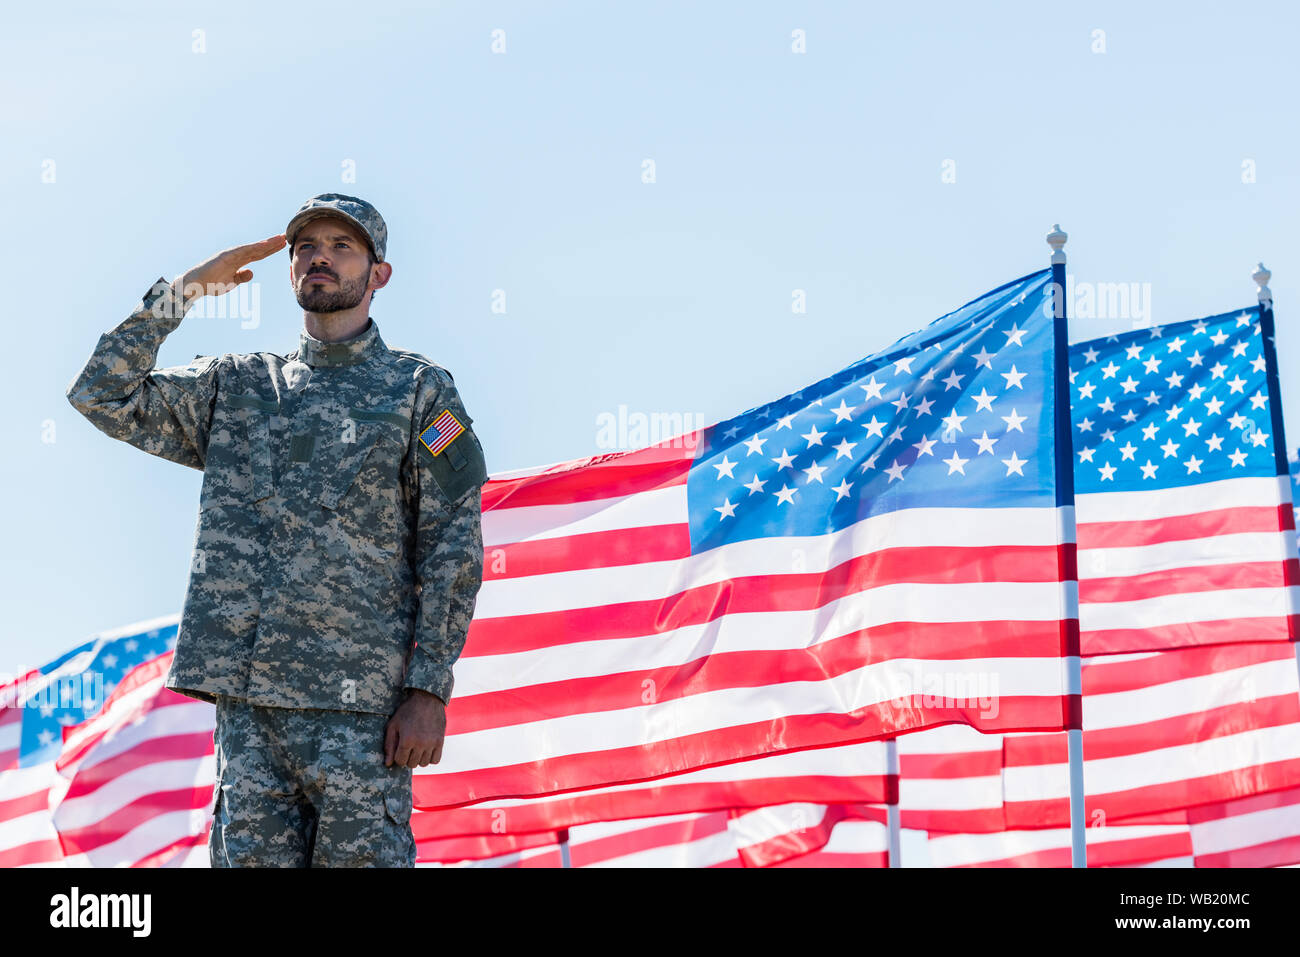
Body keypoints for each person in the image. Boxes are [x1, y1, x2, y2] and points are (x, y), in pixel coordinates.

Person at [65, 193, 487, 867]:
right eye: (306, 245)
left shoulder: (420, 392)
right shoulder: (237, 387)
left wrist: (430, 685)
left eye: (341, 245)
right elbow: (102, 394)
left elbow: (453, 544)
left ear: (378, 274)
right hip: (251, 715)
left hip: (362, 718)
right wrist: (185, 292)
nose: (319, 256)